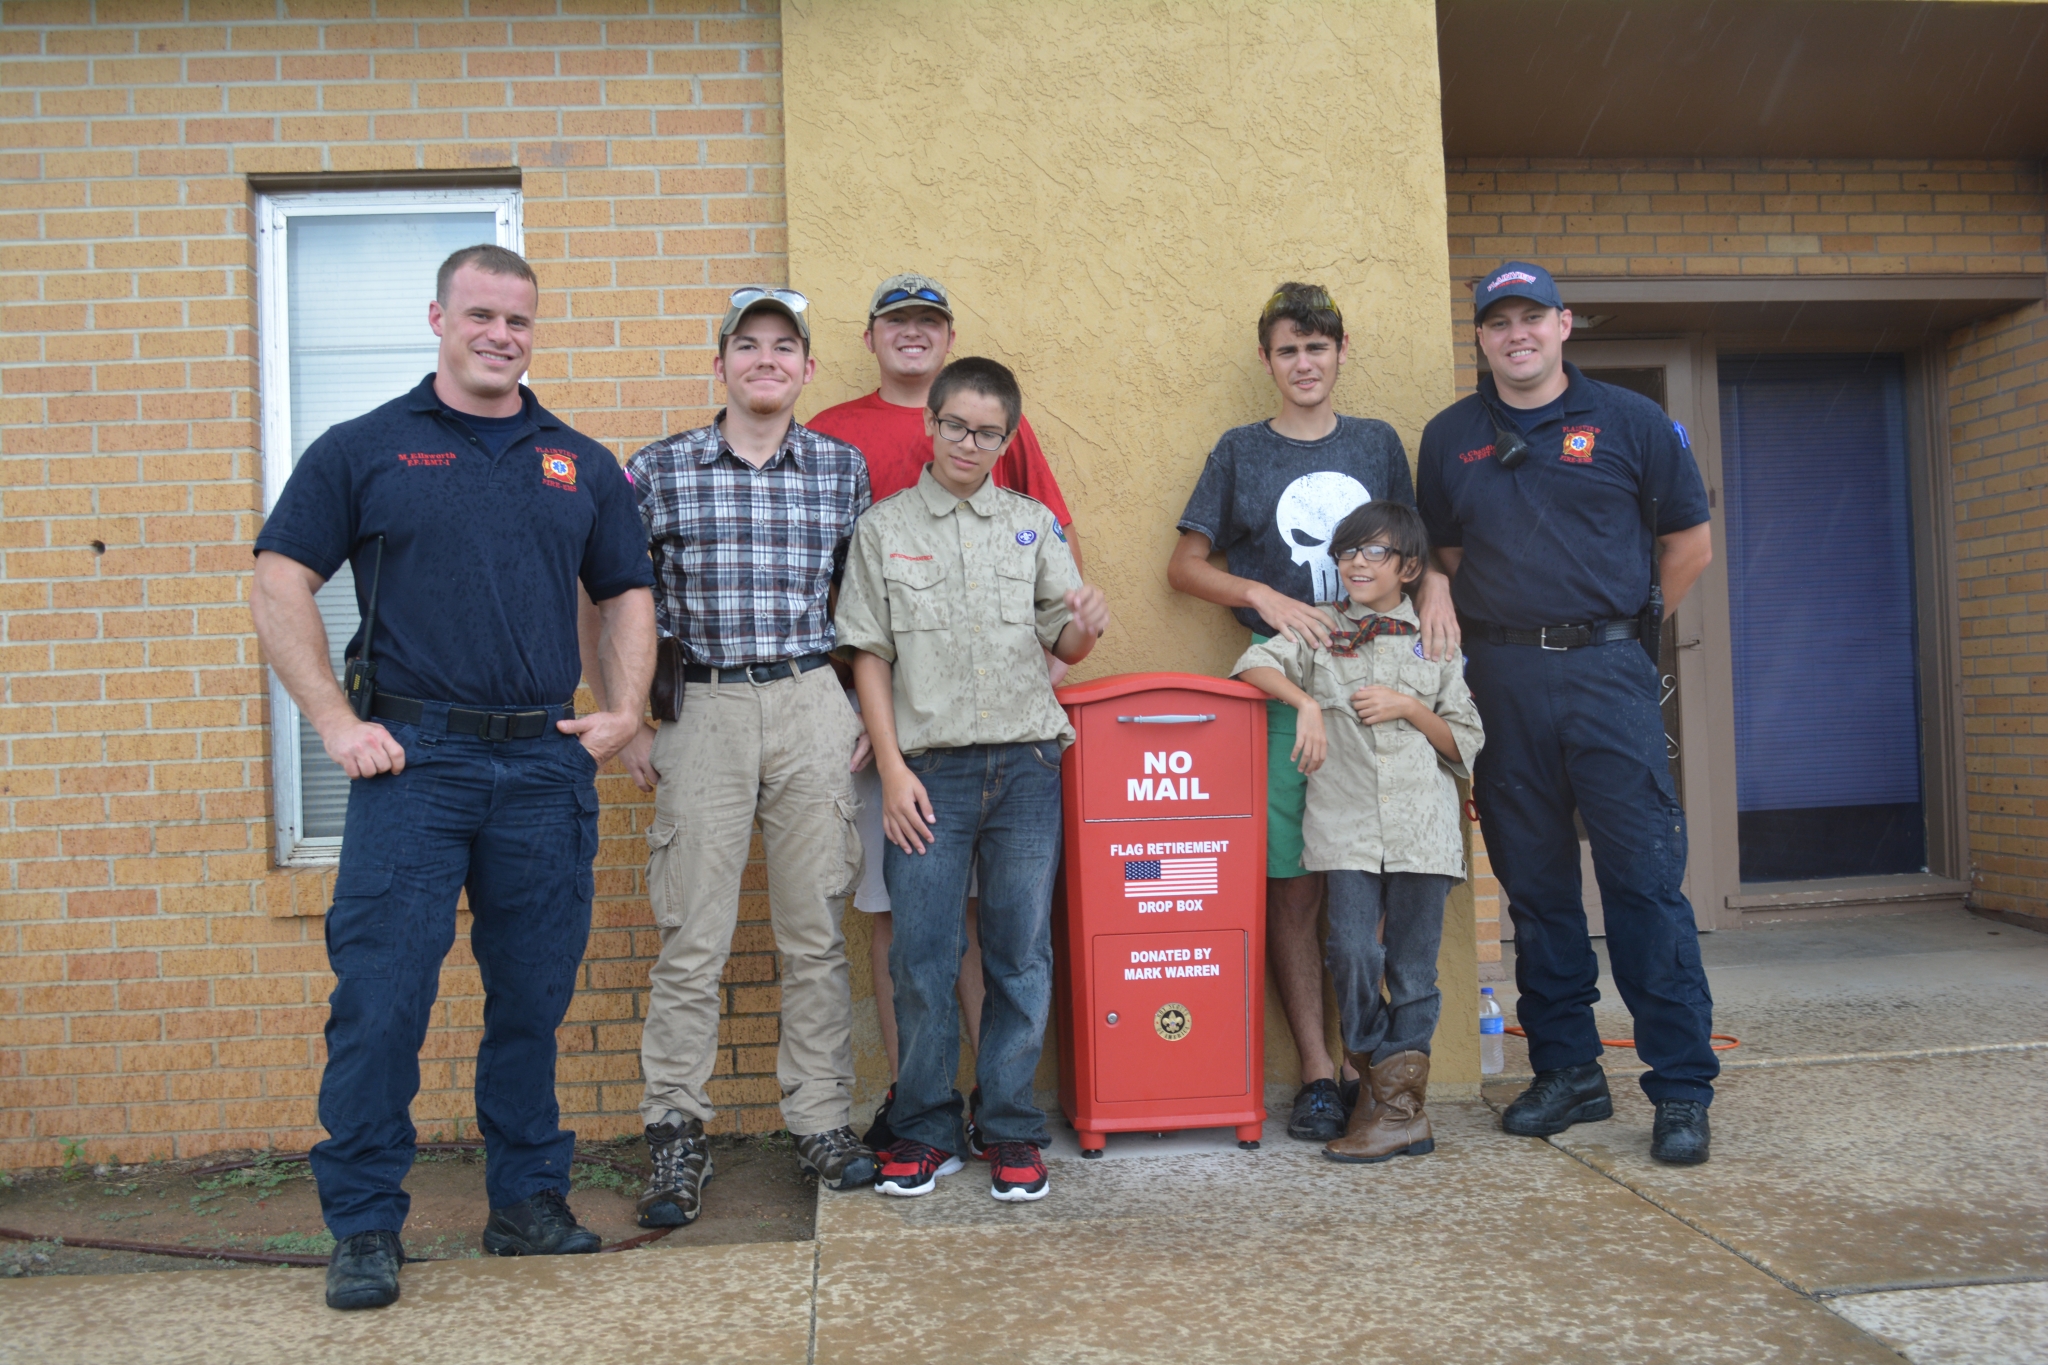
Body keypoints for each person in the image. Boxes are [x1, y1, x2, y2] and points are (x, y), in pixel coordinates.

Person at [250, 244, 657, 1311]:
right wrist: (335, 724)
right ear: (436, 315)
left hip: (540, 766)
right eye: (479, 314)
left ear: (534, 330)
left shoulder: (576, 460)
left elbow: (625, 592)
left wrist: (623, 711)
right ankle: (365, 1229)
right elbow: (278, 577)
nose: (499, 335)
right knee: (381, 1003)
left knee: (530, 1002)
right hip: (413, 767)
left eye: (517, 320)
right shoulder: (365, 449)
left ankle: (527, 1204)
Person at [1415, 260, 1718, 1165]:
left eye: (1532, 318)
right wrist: (1434, 587)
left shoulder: (1630, 423)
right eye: (1498, 322)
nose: (1517, 334)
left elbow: (1689, 545)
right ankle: (1570, 1072)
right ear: (1480, 337)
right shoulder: (1451, 436)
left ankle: (1681, 1088)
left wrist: (1619, 631)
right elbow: (1443, 550)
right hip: (1500, 679)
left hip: (1607, 674)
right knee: (1536, 889)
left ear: (1564, 325)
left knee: (1642, 882)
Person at [1167, 281, 1458, 1144]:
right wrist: (1256, 587)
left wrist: (1438, 591)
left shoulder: (1375, 443)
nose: (1304, 363)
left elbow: (1420, 542)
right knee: (1294, 888)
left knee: (1368, 896)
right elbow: (1184, 564)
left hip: (1382, 696)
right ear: (1268, 360)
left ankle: (1384, 1077)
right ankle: (1321, 1073)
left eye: (1318, 348)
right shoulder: (1239, 451)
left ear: (1340, 354)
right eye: (1288, 349)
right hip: (1295, 700)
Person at [617, 286, 879, 1229]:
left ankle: (818, 1122)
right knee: (694, 939)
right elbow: (611, 598)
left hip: (811, 697)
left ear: (808, 367)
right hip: (705, 706)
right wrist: (628, 717)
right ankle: (676, 1132)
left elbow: (867, 602)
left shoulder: (844, 471)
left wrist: (856, 703)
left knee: (813, 931)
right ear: (720, 361)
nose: (765, 360)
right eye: (747, 344)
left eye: (784, 346)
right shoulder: (658, 470)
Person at [807, 273, 1084, 1151]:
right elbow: (865, 641)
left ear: (1005, 436)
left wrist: (1056, 654)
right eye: (956, 426)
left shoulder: (1028, 519)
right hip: (909, 751)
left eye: (986, 431)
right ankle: (918, 1111)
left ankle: (1002, 1118)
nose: (970, 440)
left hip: (1023, 759)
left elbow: (1066, 624)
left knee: (1014, 948)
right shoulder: (864, 489)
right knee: (913, 940)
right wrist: (884, 751)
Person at [1233, 501, 1483, 1163]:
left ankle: (1397, 1111)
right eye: (1347, 553)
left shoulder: (1434, 635)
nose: (1357, 564)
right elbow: (1250, 665)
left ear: (1408, 568)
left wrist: (1408, 707)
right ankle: (1380, 1083)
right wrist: (1305, 702)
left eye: (1374, 553)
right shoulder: (1322, 629)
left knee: (1412, 971)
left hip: (1421, 831)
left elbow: (1465, 741)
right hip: (1343, 826)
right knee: (1349, 950)